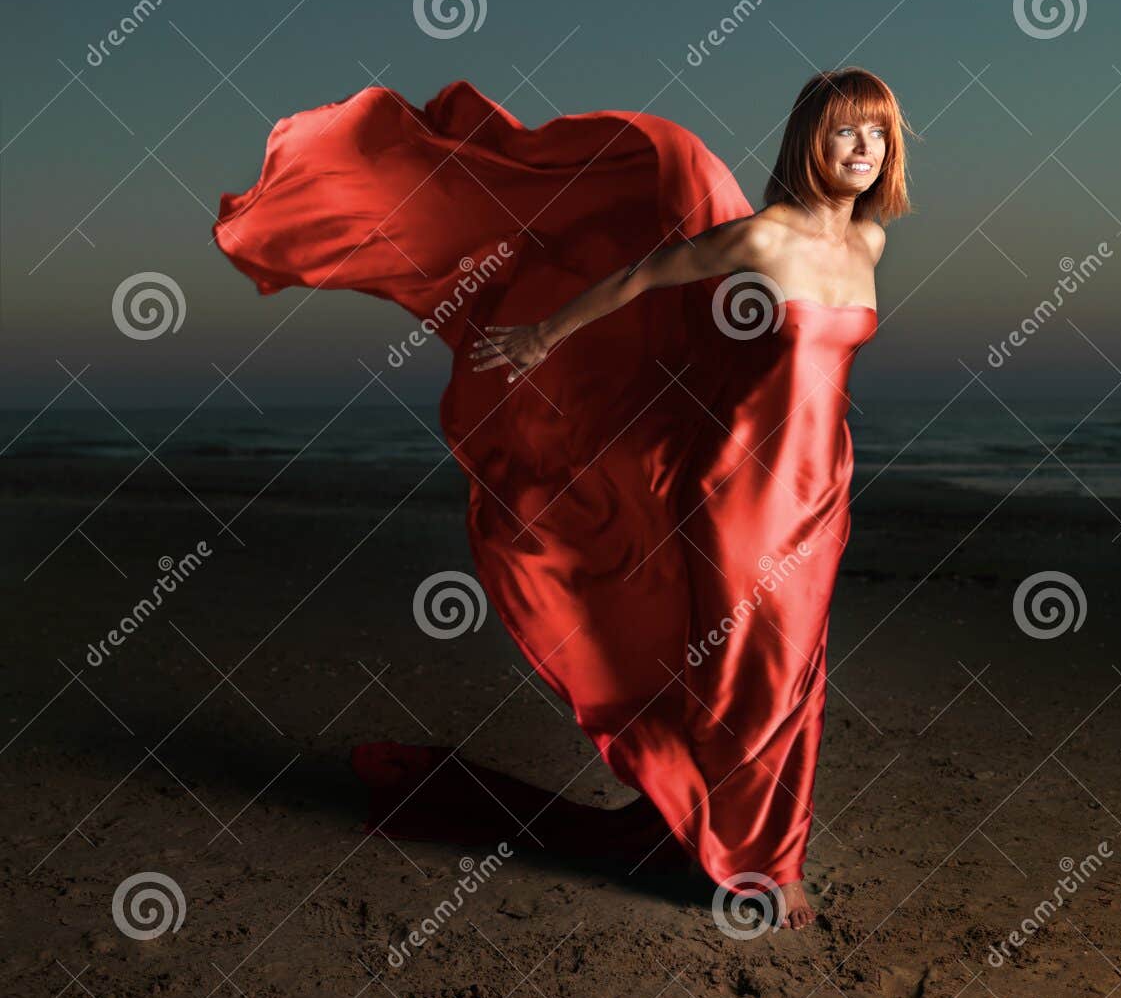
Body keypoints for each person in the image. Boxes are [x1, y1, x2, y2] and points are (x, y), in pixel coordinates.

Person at [213, 67, 911, 930]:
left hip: (822, 490)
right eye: (845, 130)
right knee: (743, 672)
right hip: (740, 491)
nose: (862, 148)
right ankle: (764, 863)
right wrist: (545, 333)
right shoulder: (763, 238)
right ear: (811, 141)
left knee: (799, 673)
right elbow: (643, 278)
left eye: (877, 133)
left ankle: (740, 838)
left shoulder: (870, 244)